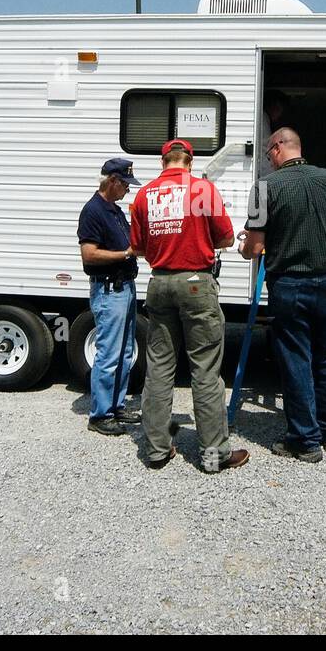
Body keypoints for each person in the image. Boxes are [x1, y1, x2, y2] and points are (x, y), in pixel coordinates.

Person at [131, 139, 249, 473]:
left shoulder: (144, 195)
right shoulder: (202, 191)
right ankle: (214, 457)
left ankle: (155, 452)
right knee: (205, 372)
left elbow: (138, 247)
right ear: (190, 162)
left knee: (159, 369)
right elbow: (225, 238)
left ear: (162, 161)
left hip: (159, 284)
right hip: (196, 284)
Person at [239, 127, 326, 462]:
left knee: (296, 357)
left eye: (268, 153)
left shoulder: (263, 188)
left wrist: (246, 244)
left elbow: (254, 248)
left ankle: (305, 440)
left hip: (290, 283)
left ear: (276, 149)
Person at [77, 157, 143, 436]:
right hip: (109, 290)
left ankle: (116, 405)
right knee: (109, 354)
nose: (128, 189)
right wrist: (126, 254)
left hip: (124, 287)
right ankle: (100, 414)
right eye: (125, 184)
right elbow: (89, 254)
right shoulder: (93, 211)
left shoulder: (114, 211)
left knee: (125, 351)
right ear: (113, 181)